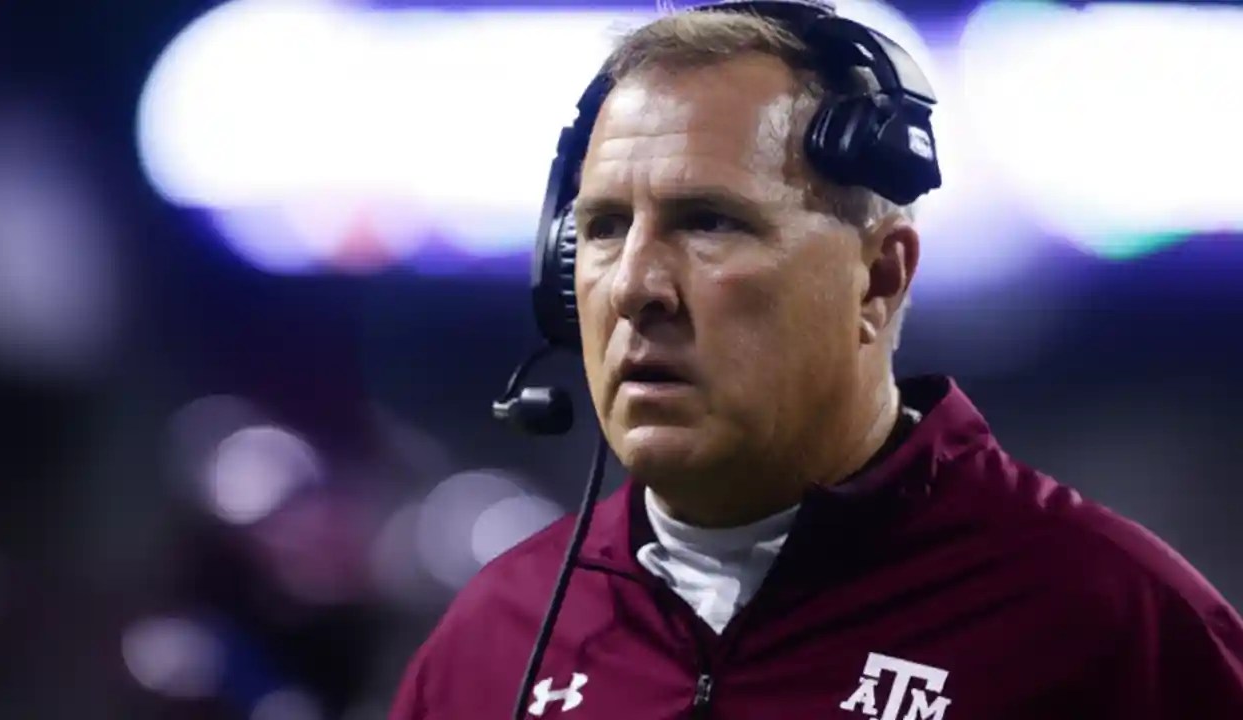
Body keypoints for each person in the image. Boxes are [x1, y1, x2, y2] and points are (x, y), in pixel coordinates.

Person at [388, 3, 1243, 719]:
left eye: (708, 222)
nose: (636, 286)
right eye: (605, 228)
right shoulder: (489, 642)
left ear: (878, 278)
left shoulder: (1115, 629)